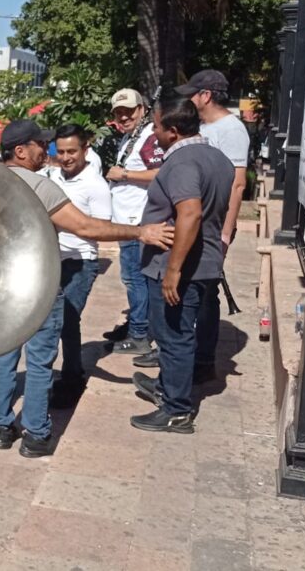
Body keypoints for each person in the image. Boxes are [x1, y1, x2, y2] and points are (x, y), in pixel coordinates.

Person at [0, 120, 172, 458]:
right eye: (41, 144)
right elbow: (85, 227)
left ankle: (2, 428)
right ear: (20, 151)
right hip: (39, 283)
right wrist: (140, 233)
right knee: (39, 361)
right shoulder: (40, 186)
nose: (46, 151)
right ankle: (36, 436)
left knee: (3, 354)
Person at [130, 96, 233, 433]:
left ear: (172, 131)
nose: (153, 132)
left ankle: (176, 410)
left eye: (157, 127)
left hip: (178, 267)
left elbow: (190, 212)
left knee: (173, 336)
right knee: (176, 334)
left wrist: (173, 270)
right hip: (205, 263)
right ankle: (167, 388)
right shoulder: (217, 158)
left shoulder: (183, 164)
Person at [178, 70, 251, 385]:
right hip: (196, 220)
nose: (189, 100)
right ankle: (181, 352)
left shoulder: (231, 130)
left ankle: (203, 360)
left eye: (192, 94)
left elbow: (237, 185)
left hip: (212, 226)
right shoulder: (205, 127)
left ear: (205, 95)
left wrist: (225, 233)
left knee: (206, 293)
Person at [45, 126, 113, 409]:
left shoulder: (95, 185)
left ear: (86, 150)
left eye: (71, 151)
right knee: (52, 323)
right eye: (60, 152)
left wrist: (70, 224)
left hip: (81, 262)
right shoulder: (51, 178)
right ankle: (55, 375)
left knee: (68, 321)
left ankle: (73, 377)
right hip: (52, 260)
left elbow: (104, 229)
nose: (65, 157)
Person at [104, 89, 164, 357]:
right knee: (132, 278)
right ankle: (136, 324)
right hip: (126, 216)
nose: (124, 116)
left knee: (134, 279)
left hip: (135, 219)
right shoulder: (131, 137)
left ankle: (139, 333)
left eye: (129, 111)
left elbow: (161, 172)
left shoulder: (150, 137)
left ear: (142, 109)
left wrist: (125, 173)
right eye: (119, 112)